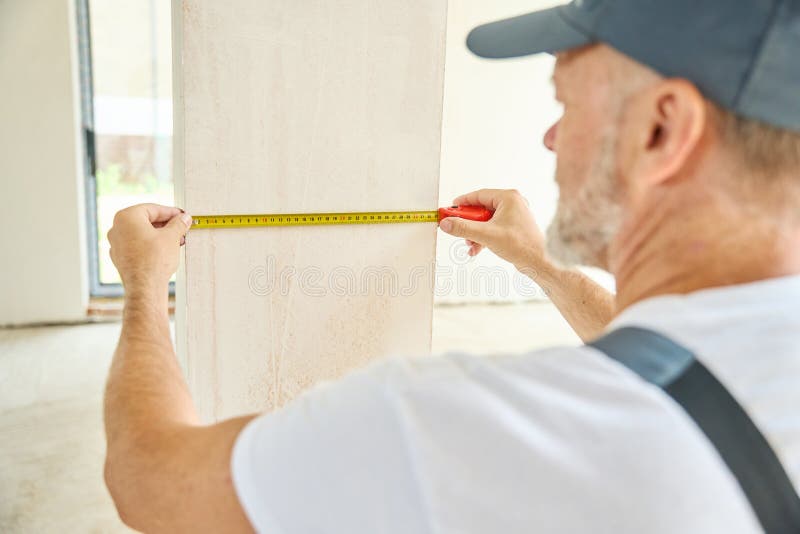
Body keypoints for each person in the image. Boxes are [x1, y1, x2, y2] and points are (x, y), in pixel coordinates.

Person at [103, 0, 800, 532]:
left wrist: (143, 287)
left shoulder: (450, 425)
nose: (551, 139)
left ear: (661, 131)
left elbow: (149, 477)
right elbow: (685, 365)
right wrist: (547, 268)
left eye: (565, 103)